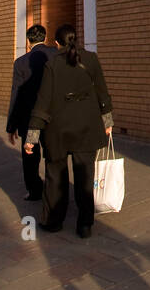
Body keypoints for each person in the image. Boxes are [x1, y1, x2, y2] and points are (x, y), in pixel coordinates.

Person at [25, 24, 113, 239]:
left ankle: (53, 220)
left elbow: (43, 101)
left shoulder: (52, 64)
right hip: (87, 126)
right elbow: (103, 92)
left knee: (55, 176)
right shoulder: (91, 59)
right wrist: (107, 121)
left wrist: (32, 136)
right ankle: (85, 224)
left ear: (56, 43)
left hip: (58, 129)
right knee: (85, 176)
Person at [6, 24, 58, 199]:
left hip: (30, 118)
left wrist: (11, 125)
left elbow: (16, 94)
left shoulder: (21, 62)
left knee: (30, 156)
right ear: (45, 37)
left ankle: (35, 190)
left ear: (28, 41)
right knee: (53, 153)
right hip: (52, 116)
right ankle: (55, 188)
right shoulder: (55, 55)